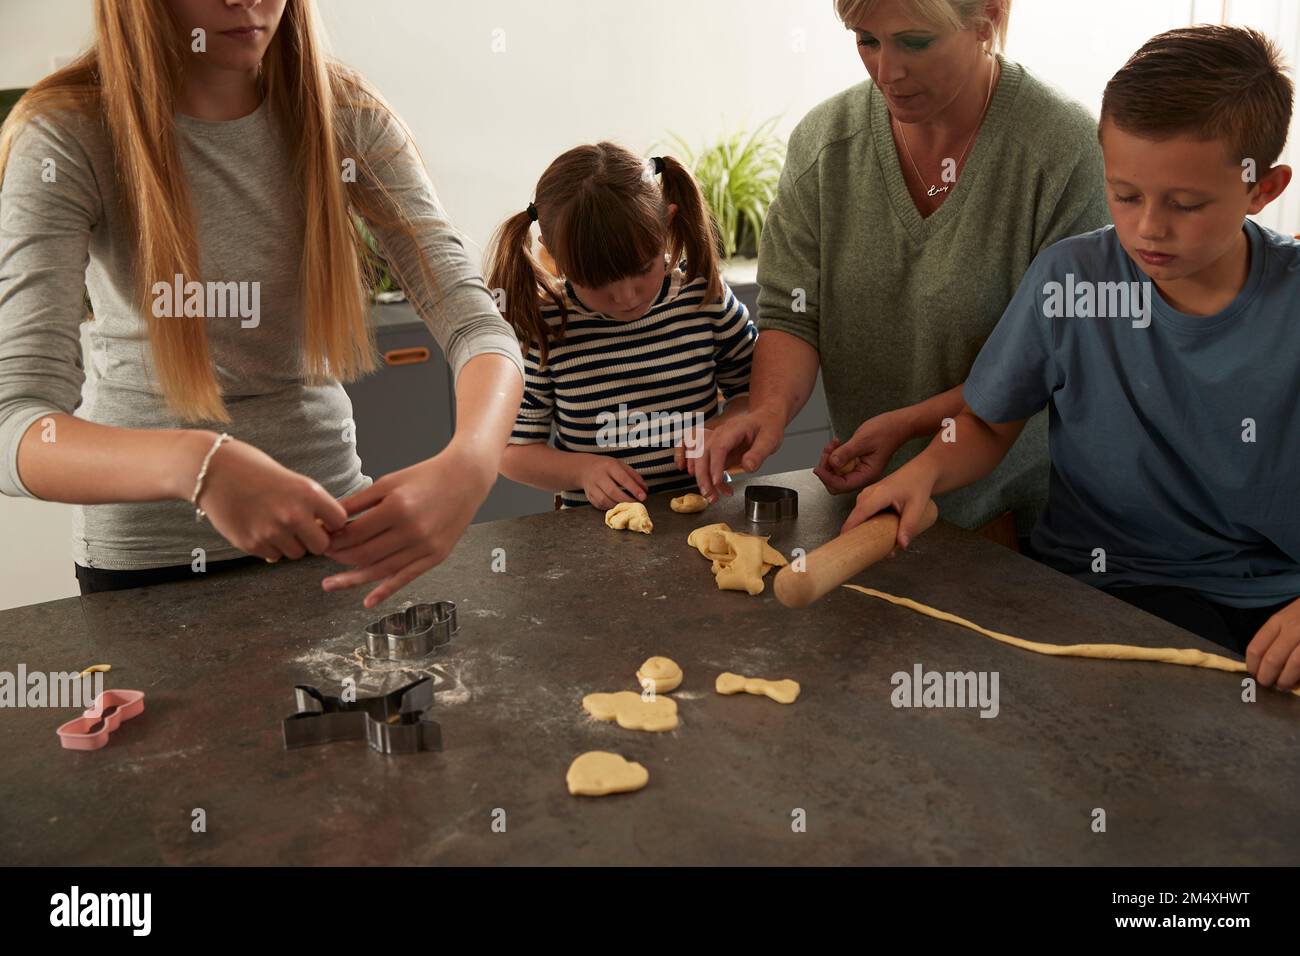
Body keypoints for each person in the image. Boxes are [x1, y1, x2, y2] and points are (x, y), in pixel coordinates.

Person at [0, 0, 524, 607]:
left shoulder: (346, 116)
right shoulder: (70, 133)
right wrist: (197, 464)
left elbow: (476, 322)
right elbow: (16, 422)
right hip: (149, 569)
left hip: (334, 537)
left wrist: (473, 461)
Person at [845, 25, 1299, 689]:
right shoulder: (1072, 279)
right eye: (1126, 194)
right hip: (1106, 586)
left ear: (1264, 188)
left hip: (1277, 601)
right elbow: (988, 420)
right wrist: (926, 474)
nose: (1148, 227)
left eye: (1186, 204)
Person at [693, 0, 1108, 549]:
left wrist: (908, 425)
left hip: (1026, 528)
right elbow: (792, 314)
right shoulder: (824, 146)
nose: (887, 72)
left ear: (986, 19)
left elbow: (1042, 364)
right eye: (867, 40)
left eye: (915, 42)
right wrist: (768, 407)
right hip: (865, 512)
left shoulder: (1063, 152)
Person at [488, 143, 757, 509]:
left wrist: (719, 430)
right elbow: (512, 451)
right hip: (594, 534)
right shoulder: (546, 327)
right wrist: (581, 471)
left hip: (706, 514)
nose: (628, 297)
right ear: (553, 253)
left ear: (666, 223)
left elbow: (755, 393)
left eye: (643, 270)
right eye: (599, 284)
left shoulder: (703, 297)